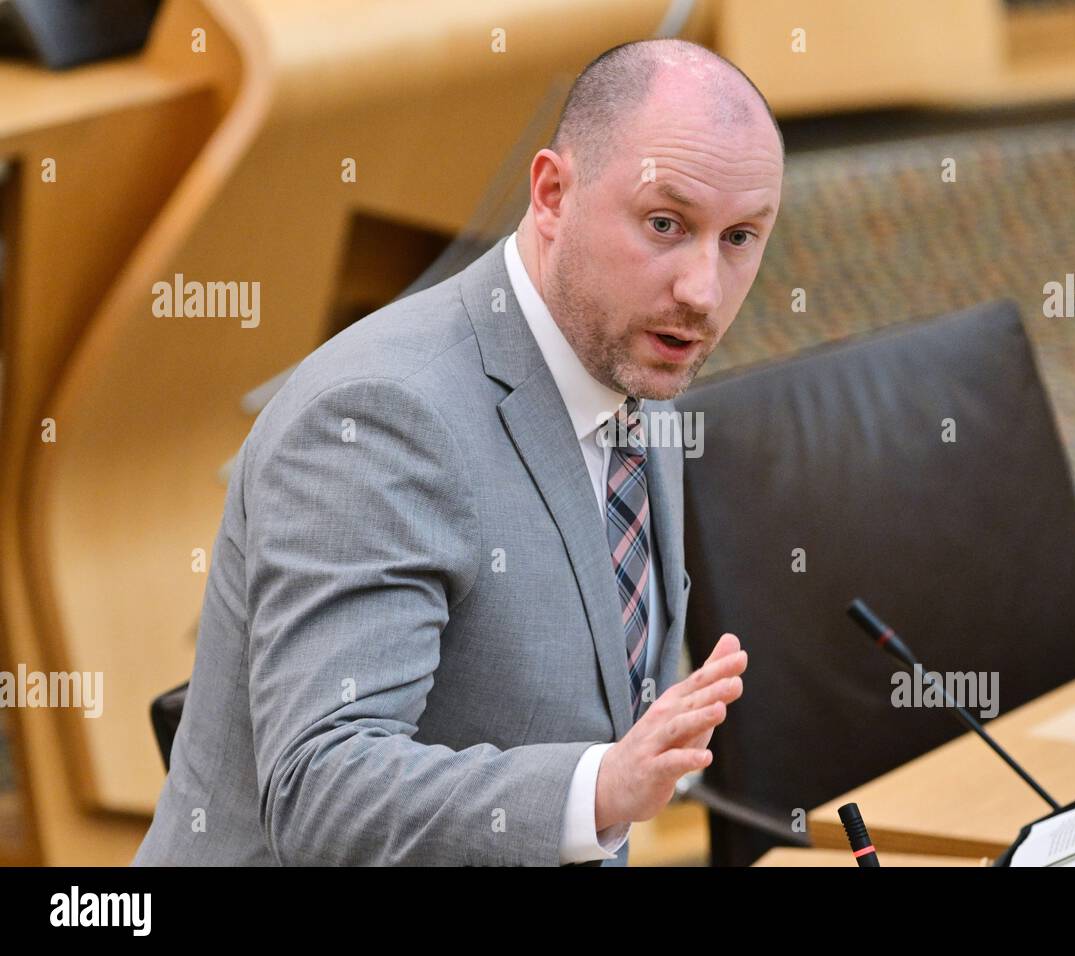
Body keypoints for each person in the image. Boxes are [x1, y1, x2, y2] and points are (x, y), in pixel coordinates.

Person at [133, 36, 784, 866]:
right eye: (665, 223)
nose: (701, 289)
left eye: (739, 238)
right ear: (551, 193)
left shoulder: (636, 357)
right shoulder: (380, 415)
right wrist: (596, 789)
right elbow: (321, 791)